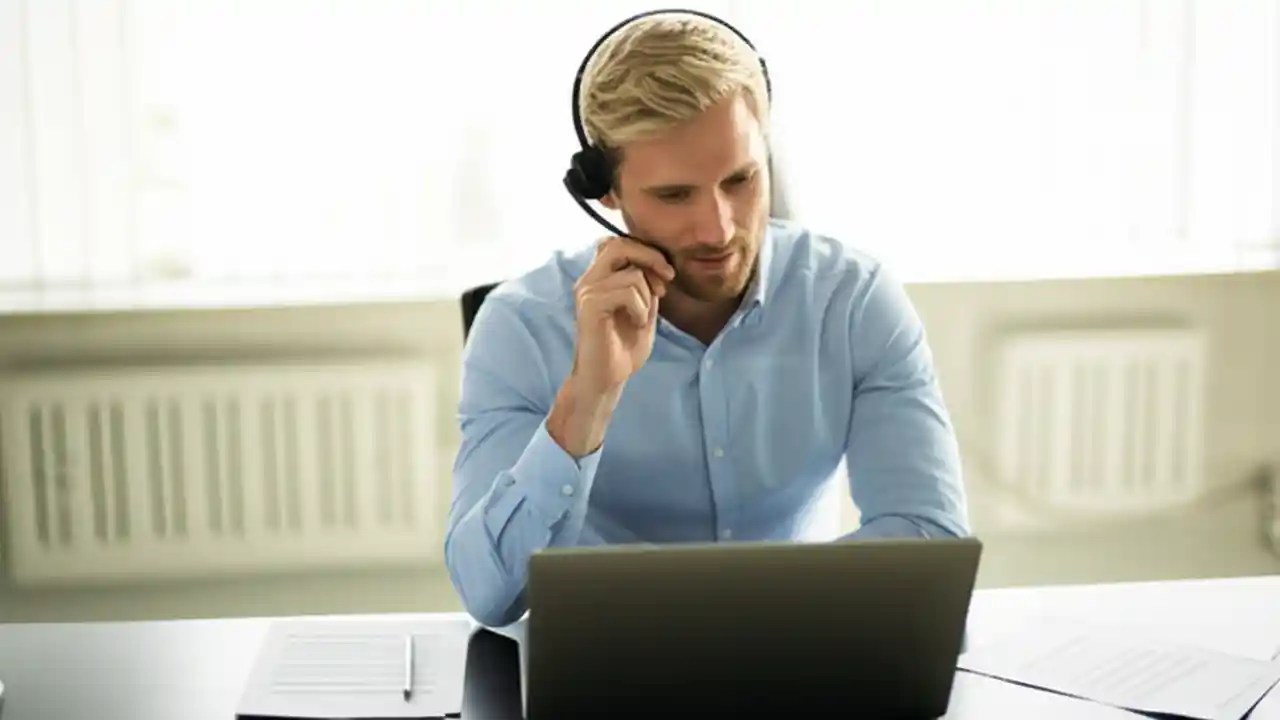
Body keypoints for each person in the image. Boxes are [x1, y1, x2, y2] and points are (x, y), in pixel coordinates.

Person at [444, 10, 970, 628]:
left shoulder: (853, 302)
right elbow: (489, 594)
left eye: (741, 180)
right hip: (608, 678)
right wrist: (588, 395)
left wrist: (746, 624)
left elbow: (928, 540)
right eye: (674, 196)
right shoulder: (520, 328)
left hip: (801, 656)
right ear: (604, 191)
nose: (718, 228)